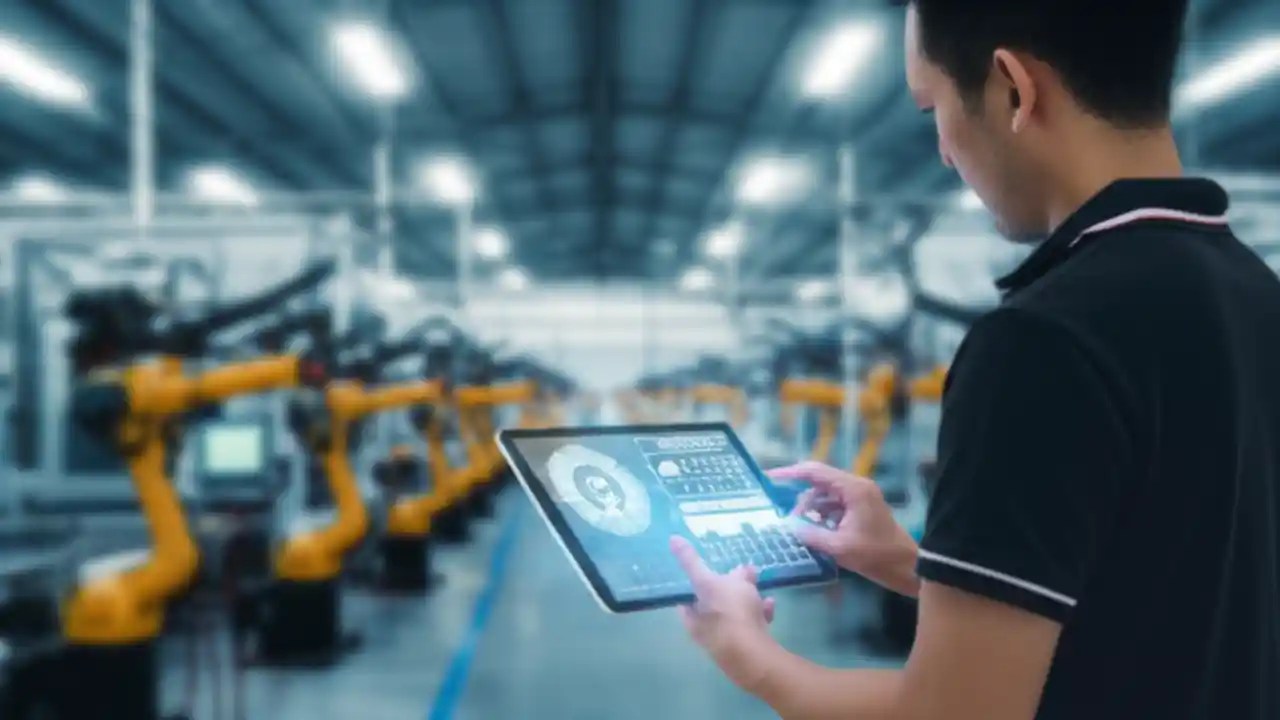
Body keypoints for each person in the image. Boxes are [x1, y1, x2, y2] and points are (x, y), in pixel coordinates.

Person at [670, 1, 1280, 718]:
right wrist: (917, 565)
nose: (944, 151)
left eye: (933, 109)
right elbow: (1161, 606)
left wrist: (749, 653)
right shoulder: (1254, 293)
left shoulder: (1042, 341)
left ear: (1014, 90)